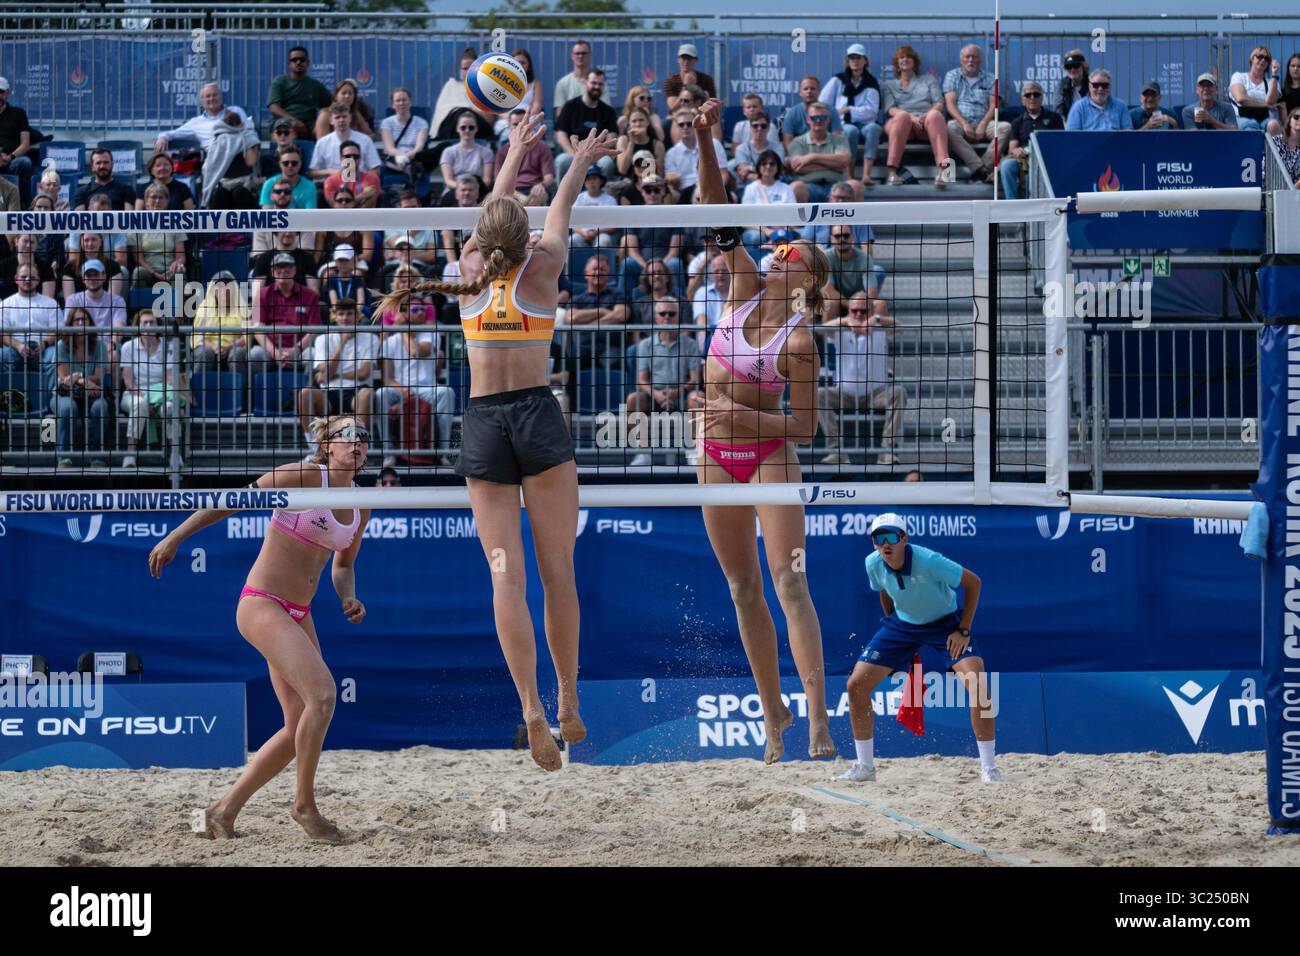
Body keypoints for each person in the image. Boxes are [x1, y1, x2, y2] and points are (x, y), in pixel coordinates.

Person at [374, 116, 616, 772]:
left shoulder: (469, 269)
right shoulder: (544, 272)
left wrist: (511, 151)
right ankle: (567, 696)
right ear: (525, 236)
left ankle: (531, 710)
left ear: (485, 237)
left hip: (485, 419)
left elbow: (493, 215)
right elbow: (561, 204)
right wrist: (579, 158)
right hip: (538, 414)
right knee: (557, 569)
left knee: (504, 575)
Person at [693, 97, 836, 763]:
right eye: (780, 246)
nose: (779, 252)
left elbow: (804, 426)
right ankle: (773, 719)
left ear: (808, 279)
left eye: (793, 252)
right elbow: (718, 213)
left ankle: (817, 723)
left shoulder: (800, 338)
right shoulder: (743, 285)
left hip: (769, 453)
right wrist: (703, 138)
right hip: (715, 456)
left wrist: (740, 415)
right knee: (743, 589)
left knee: (790, 584)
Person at [148, 416, 372, 841]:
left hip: (299, 612)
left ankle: (222, 811)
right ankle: (304, 806)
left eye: (364, 436)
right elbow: (231, 500)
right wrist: (176, 536)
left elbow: (344, 566)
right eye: (348, 435)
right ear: (327, 445)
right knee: (323, 696)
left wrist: (347, 597)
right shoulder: (305, 475)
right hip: (262, 604)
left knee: (298, 724)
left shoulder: (363, 501)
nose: (357, 442)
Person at [837, 513, 997, 784]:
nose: (885, 544)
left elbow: (974, 583)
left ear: (904, 539)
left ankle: (989, 768)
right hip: (901, 626)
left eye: (890, 537)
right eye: (878, 539)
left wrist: (964, 630)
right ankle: (865, 767)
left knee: (978, 682)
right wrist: (891, 626)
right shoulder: (873, 562)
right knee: (856, 685)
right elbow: (885, 589)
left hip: (945, 625)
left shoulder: (929, 560)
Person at [816, 292, 905, 465]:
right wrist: (845, 321)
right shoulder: (840, 330)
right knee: (819, 394)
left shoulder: (879, 330)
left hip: (876, 394)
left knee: (899, 392)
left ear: (871, 311)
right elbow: (821, 329)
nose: (858, 315)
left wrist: (876, 320)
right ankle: (836, 452)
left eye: (863, 311)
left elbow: (898, 326)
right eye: (854, 311)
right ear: (848, 311)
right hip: (844, 394)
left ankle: (887, 451)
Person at [374, 296, 454, 466]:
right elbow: (387, 379)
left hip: (427, 388)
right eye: (415, 310)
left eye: (423, 310)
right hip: (399, 389)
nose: (421, 313)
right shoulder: (389, 342)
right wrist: (401, 389)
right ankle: (389, 452)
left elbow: (417, 352)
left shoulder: (431, 334)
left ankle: (442, 452)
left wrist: (404, 331)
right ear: (403, 313)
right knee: (381, 394)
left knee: (447, 393)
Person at [624, 296, 701, 467]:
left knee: (697, 397)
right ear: (655, 317)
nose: (667, 317)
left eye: (671, 313)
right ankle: (642, 452)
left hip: (682, 393)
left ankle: (694, 450)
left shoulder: (690, 344)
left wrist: (678, 391)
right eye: (662, 313)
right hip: (653, 394)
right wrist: (657, 394)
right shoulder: (645, 345)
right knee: (633, 400)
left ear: (678, 316)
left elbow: (695, 379)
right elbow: (642, 380)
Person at [298, 298, 375, 444]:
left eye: (349, 314)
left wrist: (333, 375)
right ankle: (314, 446)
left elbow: (364, 373)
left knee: (367, 394)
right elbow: (324, 371)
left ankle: (358, 444)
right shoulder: (323, 339)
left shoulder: (370, 338)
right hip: (328, 394)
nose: (345, 318)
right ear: (335, 316)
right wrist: (342, 343)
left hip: (356, 392)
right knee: (305, 393)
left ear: (357, 316)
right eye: (341, 314)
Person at [119, 309, 185, 469]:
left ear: (158, 325)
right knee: (139, 404)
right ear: (138, 326)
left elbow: (170, 379)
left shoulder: (168, 347)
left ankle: (176, 455)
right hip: (134, 392)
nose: (148, 325)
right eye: (145, 323)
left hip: (161, 394)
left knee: (170, 408)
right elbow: (127, 380)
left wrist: (156, 397)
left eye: (152, 322)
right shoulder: (128, 347)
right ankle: (130, 454)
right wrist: (143, 395)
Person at [880, 46, 951, 187]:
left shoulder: (928, 79)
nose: (905, 59)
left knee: (935, 115)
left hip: (925, 123)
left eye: (908, 57)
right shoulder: (889, 84)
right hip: (900, 124)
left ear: (915, 62)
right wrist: (911, 117)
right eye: (901, 57)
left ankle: (944, 172)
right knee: (902, 117)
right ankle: (892, 173)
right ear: (897, 63)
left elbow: (939, 103)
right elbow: (890, 109)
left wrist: (925, 116)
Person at [52, 308, 110, 470]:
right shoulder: (61, 346)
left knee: (101, 407)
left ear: (90, 323)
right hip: (64, 393)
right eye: (76, 320)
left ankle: (97, 457)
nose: (79, 323)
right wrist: (83, 378)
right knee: (67, 408)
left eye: (83, 320)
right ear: (70, 324)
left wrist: (77, 377)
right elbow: (64, 379)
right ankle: (64, 457)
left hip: (92, 393)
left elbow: (98, 377)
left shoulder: (99, 346)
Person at [943, 44, 1009, 184]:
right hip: (962, 122)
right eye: (967, 57)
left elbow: (993, 105)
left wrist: (983, 124)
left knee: (1005, 128)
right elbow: (950, 104)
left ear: (980, 60)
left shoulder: (991, 78)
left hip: (984, 122)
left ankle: (983, 166)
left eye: (974, 57)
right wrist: (964, 123)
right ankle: (979, 169)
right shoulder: (952, 75)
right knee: (949, 127)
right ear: (961, 60)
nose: (970, 60)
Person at [820, 44, 883, 186]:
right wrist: (836, 115)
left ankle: (867, 175)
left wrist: (849, 110)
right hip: (842, 123)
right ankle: (850, 175)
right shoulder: (838, 80)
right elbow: (823, 103)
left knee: (874, 128)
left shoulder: (871, 82)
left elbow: (872, 111)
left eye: (858, 58)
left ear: (865, 61)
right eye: (852, 58)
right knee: (850, 130)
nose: (855, 61)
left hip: (866, 124)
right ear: (847, 61)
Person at [251, 252, 321, 378]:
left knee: (314, 355)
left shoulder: (310, 295)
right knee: (255, 355)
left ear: (294, 270)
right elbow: (257, 329)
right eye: (279, 267)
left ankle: (308, 394)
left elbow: (314, 329)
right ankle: (258, 396)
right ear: (272, 272)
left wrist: (296, 350)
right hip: (272, 349)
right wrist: (275, 353)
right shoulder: (261, 294)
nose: (283, 270)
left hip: (301, 349)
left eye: (287, 267)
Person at [999, 81, 1063, 199]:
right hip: (1024, 158)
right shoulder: (1017, 121)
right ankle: (1012, 205)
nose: (1032, 98)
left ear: (1042, 97)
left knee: (1033, 178)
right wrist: (1016, 151)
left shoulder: (1055, 118)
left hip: (1046, 158)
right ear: (1022, 100)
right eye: (1028, 95)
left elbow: (1060, 143)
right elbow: (1012, 149)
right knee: (1006, 165)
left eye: (1036, 94)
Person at [191, 271, 254, 387]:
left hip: (234, 348)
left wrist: (229, 347)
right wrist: (214, 347)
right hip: (208, 348)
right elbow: (197, 337)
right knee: (205, 353)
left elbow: (247, 337)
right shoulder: (203, 309)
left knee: (237, 354)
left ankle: (242, 398)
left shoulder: (244, 308)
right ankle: (196, 395)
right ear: (213, 290)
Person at [555, 69, 620, 181]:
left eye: (600, 84)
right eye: (593, 83)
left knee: (607, 162)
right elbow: (561, 134)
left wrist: (596, 156)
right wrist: (574, 155)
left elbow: (611, 138)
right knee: (562, 161)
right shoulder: (570, 106)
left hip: (598, 155)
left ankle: (604, 196)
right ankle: (559, 197)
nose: (596, 87)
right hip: (573, 153)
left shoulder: (608, 111)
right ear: (585, 83)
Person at [154, 82, 251, 154]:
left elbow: (248, 133)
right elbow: (172, 134)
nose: (211, 99)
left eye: (214, 95)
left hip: (238, 155)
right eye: (208, 96)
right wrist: (162, 137)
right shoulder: (196, 123)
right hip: (215, 160)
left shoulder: (235, 111)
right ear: (202, 101)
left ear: (221, 97)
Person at [786, 101, 852, 203]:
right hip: (807, 186)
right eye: (814, 118)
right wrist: (834, 165)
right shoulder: (797, 142)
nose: (818, 121)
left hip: (836, 185)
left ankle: (849, 220)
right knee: (795, 187)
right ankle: (797, 219)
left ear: (829, 120)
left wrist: (812, 157)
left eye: (822, 118)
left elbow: (844, 161)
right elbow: (798, 167)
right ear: (808, 120)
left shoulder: (840, 140)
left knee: (855, 185)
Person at [0, 266, 60, 373]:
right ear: (16, 279)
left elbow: (58, 331)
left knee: (55, 357)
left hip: (44, 349)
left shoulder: (51, 303)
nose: (28, 280)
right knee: (2, 357)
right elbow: (3, 334)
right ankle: (7, 390)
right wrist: (19, 346)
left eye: (32, 277)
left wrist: (43, 344)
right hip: (15, 349)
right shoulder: (6, 304)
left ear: (38, 280)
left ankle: (53, 390)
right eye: (24, 277)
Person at [266, 46, 332, 140]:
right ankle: (286, 153)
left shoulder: (315, 85)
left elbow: (331, 104)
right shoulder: (280, 81)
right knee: (292, 126)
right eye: (294, 60)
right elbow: (273, 107)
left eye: (302, 59)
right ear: (289, 64)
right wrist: (294, 121)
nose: (298, 62)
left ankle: (322, 152)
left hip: (309, 124)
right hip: (284, 122)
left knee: (325, 125)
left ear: (308, 63)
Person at [128, 184, 188, 289]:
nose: (157, 201)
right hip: (147, 270)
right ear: (146, 201)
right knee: (139, 272)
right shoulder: (137, 224)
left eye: (161, 197)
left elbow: (181, 257)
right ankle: (139, 305)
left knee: (179, 271)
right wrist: (155, 273)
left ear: (167, 201)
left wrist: (176, 264)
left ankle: (178, 304)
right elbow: (138, 258)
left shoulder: (175, 223)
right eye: (153, 197)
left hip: (170, 271)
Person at [665, 108, 730, 203]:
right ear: (677, 127)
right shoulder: (671, 153)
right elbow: (671, 181)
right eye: (681, 124)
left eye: (689, 123)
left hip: (712, 188)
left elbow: (723, 174)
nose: (685, 127)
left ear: (696, 124)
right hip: (684, 193)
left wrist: (718, 191)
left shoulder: (714, 144)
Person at [199, 111, 260, 209]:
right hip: (231, 185)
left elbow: (206, 169)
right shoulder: (245, 137)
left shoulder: (217, 141)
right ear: (241, 124)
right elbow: (251, 161)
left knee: (233, 193)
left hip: (238, 185)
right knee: (228, 193)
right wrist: (251, 139)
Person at [494, 109, 555, 205]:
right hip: (512, 191)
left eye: (523, 124)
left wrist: (541, 185)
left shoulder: (543, 147)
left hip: (535, 190)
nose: (520, 128)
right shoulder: (502, 151)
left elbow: (549, 177)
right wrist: (517, 195)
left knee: (540, 195)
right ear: (509, 125)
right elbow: (498, 181)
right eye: (515, 124)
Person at [433, 46, 494, 140]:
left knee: (463, 114)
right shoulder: (451, 85)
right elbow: (442, 112)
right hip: (451, 126)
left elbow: (490, 120)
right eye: (465, 68)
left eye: (471, 67)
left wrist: (469, 111)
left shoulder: (487, 88)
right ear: (461, 70)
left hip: (478, 128)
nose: (468, 71)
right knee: (459, 114)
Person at [310, 104, 382, 182]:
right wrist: (330, 171)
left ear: (350, 118)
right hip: (332, 185)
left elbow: (376, 169)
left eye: (344, 116)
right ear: (331, 120)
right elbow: (313, 172)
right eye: (337, 117)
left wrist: (361, 178)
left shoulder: (365, 140)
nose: (341, 120)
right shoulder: (322, 142)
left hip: (359, 184)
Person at [820, 226, 878, 319]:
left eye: (846, 235)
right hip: (838, 303)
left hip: (860, 305)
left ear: (853, 237)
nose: (842, 239)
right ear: (831, 239)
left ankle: (876, 333)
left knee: (880, 304)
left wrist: (858, 306)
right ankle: (826, 334)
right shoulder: (826, 257)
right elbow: (828, 289)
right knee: (829, 304)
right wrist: (850, 306)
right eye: (837, 236)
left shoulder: (865, 258)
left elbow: (872, 292)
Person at [781, 74, 848, 148]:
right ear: (800, 93)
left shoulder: (831, 111)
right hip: (800, 155)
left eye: (812, 89)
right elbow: (787, 143)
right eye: (805, 89)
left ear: (819, 91)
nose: (809, 91)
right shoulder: (791, 113)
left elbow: (837, 140)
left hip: (826, 153)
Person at [1229, 46, 1282, 134]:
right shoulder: (1239, 77)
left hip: (1265, 118)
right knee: (1251, 125)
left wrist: (1274, 75)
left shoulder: (1272, 82)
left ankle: (1276, 148)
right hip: (1242, 118)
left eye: (1267, 59)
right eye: (1260, 56)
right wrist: (1265, 104)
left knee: (1274, 125)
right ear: (1252, 58)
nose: (1263, 60)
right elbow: (1241, 99)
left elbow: (1271, 102)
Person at [380, 87, 430, 175]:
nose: (401, 103)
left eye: (404, 100)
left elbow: (419, 147)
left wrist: (408, 157)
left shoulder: (421, 123)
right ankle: (348, 187)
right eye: (398, 100)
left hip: (413, 157)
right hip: (395, 158)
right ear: (393, 104)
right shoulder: (354, 143)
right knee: (351, 159)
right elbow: (389, 149)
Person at [439, 113, 496, 192]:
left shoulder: (487, 152)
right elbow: (448, 181)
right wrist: (463, 188)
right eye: (463, 127)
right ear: (457, 129)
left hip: (479, 191)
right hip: (453, 190)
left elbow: (487, 180)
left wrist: (471, 189)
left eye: (471, 127)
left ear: (476, 129)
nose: (467, 130)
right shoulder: (448, 152)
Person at [0, 77, 33, 206]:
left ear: (7, 93)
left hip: (11, 161)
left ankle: (25, 207)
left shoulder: (18, 114)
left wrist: (10, 157)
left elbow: (25, 144)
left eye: (1, 92)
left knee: (25, 162)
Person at [1065, 69, 1132, 130]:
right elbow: (1072, 136)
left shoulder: (1121, 106)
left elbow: (1127, 133)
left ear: (1110, 86)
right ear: (1089, 86)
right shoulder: (1078, 107)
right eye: (1096, 85)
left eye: (1104, 85)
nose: (1100, 89)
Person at [553, 39, 608, 112]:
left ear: (590, 55)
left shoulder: (600, 83)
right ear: (572, 56)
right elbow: (560, 113)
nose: (580, 56)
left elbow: (605, 110)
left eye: (584, 53)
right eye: (577, 53)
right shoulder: (562, 84)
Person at [730, 111, 784, 184]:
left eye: (763, 126)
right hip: (749, 186)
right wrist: (768, 173)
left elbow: (778, 170)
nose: (759, 129)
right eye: (755, 126)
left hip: (774, 186)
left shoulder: (777, 147)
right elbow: (743, 173)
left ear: (768, 128)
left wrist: (750, 168)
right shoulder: (741, 149)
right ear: (750, 128)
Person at [324, 141, 381, 209]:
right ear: (341, 159)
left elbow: (363, 210)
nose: (352, 159)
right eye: (348, 156)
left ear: (360, 158)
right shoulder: (331, 181)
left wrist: (344, 201)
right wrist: (361, 196)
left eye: (355, 156)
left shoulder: (372, 178)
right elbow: (337, 207)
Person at [616, 107, 666, 183]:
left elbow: (660, 175)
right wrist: (631, 143)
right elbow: (622, 170)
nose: (638, 124)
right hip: (628, 183)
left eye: (641, 120)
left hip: (650, 184)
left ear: (648, 122)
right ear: (629, 124)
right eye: (634, 121)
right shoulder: (623, 140)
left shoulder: (657, 145)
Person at [571, 166, 617, 248]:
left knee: (604, 240)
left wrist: (598, 232)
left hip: (602, 233)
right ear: (584, 182)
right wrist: (582, 232)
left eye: (595, 178)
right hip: (582, 233)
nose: (592, 182)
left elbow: (614, 226)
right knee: (572, 240)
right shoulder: (578, 199)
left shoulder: (610, 200)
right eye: (588, 179)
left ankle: (601, 261)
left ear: (601, 181)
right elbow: (573, 224)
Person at [1054, 49, 1089, 118]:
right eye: (1068, 67)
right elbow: (1058, 109)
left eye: (1076, 65)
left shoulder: (1092, 83)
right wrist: (1064, 122)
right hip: (1069, 123)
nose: (1072, 69)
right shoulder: (1062, 85)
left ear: (1083, 67)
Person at [1272, 109, 1300, 187]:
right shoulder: (1275, 141)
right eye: (1296, 117)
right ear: (1289, 120)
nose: (1299, 120)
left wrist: (1291, 192)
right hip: (1274, 186)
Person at [1281, 53, 1300, 127]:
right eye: (1293, 66)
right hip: (1290, 129)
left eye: (1299, 66)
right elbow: (1284, 120)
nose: (1295, 68)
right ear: (1288, 68)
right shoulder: (1283, 92)